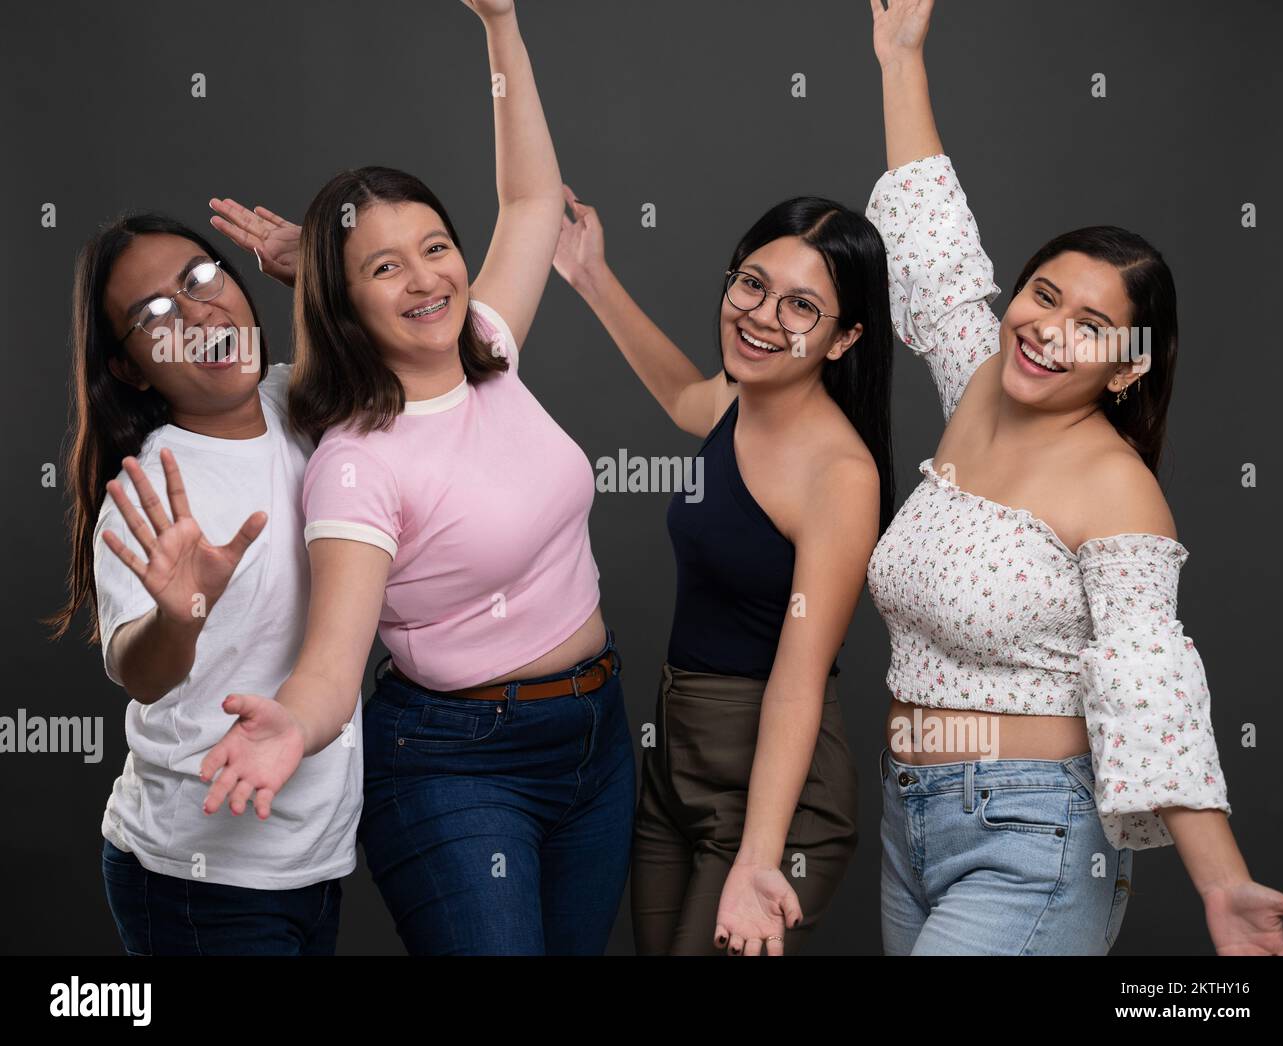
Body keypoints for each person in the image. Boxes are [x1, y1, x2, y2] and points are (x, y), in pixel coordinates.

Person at [196, 0, 636, 956]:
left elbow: (528, 202)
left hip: (598, 737)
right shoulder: (357, 466)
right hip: (455, 765)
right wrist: (293, 727)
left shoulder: (485, 342)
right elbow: (331, 662)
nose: (426, 277)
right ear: (344, 301)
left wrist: (501, 24)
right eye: (383, 267)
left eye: (436, 247)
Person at [865, 0, 1283, 955]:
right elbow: (932, 241)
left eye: (1091, 326)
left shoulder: (1116, 487)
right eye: (1043, 294)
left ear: (1129, 364)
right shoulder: (980, 383)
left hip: (1034, 835)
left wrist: (1221, 886)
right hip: (909, 815)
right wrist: (900, 58)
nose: (1047, 329)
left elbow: (1152, 685)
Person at [552, 181, 894, 954]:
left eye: (801, 307)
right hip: (675, 765)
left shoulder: (840, 473)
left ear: (843, 341)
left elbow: (800, 681)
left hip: (775, 792)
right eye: (752, 284)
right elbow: (681, 394)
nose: (762, 316)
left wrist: (760, 858)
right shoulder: (739, 401)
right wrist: (592, 279)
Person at [48, 214, 361, 955]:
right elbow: (139, 671)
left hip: (313, 857)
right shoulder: (152, 486)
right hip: (200, 875)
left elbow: (411, 345)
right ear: (131, 367)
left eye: (199, 278)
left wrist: (316, 272)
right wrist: (181, 612)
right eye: (152, 314)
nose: (192, 312)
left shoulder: (298, 404)